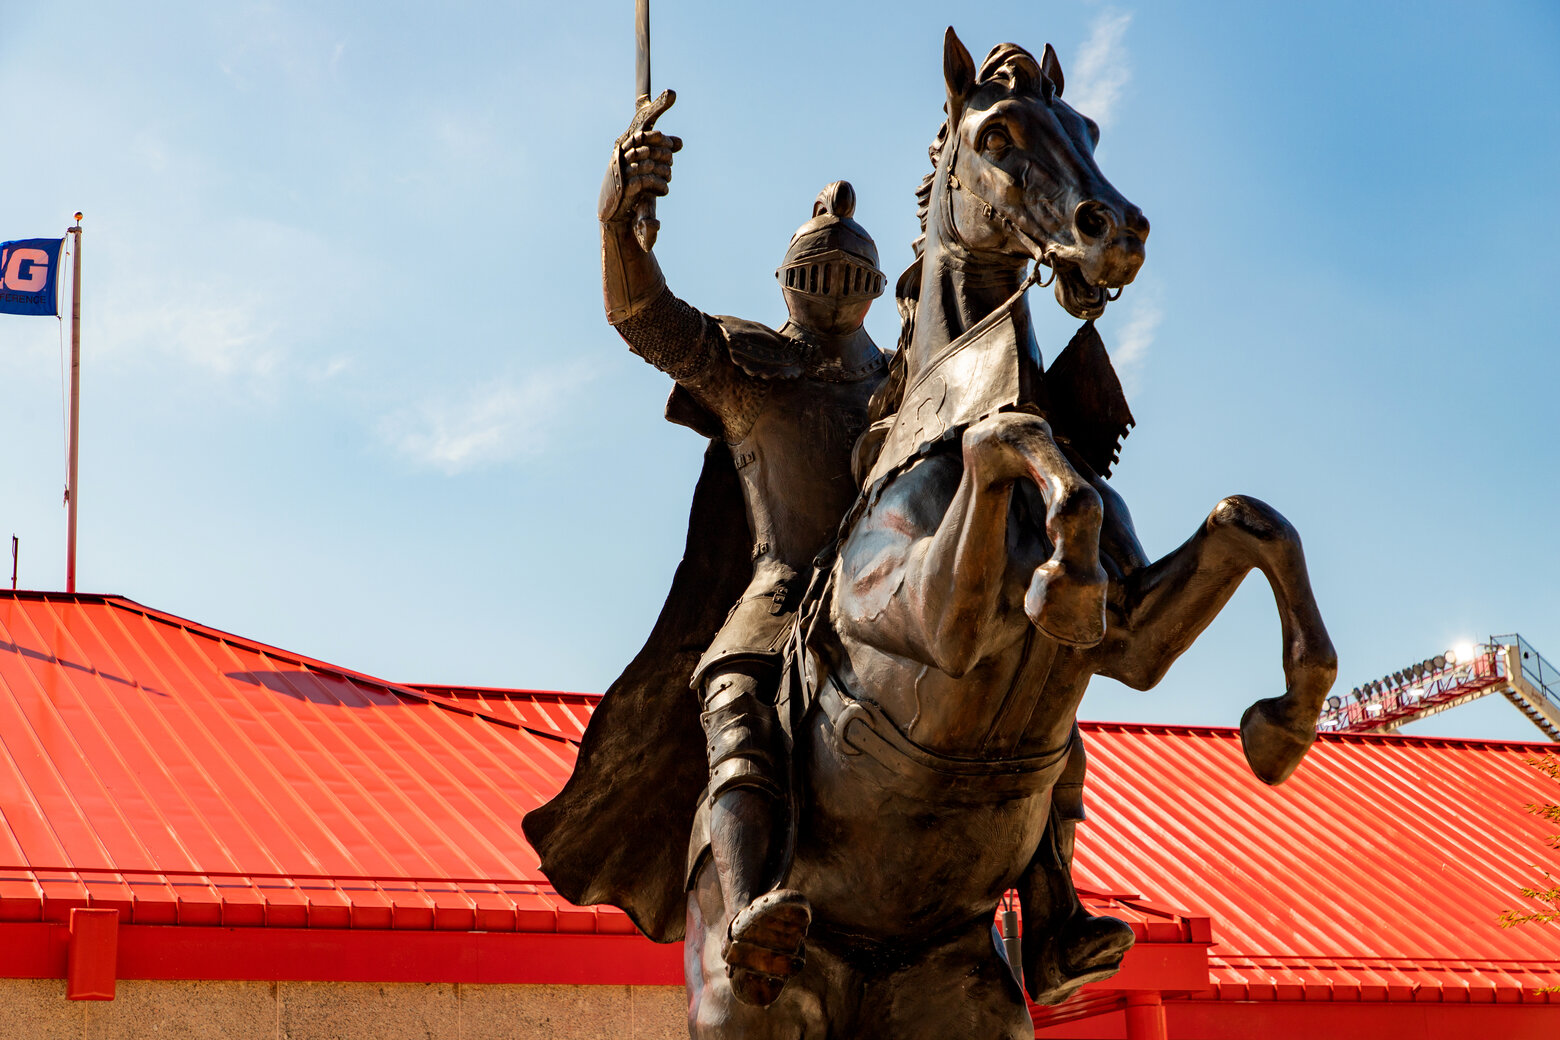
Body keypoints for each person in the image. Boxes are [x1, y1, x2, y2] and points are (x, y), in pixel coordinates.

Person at [600, 115, 888, 1007]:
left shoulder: (913, 379)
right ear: (790, 283)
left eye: (846, 273)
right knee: (734, 698)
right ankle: (750, 906)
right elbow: (643, 318)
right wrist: (619, 221)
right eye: (818, 271)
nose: (831, 283)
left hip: (895, 594)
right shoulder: (747, 364)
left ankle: (1052, 905)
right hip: (784, 590)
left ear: (876, 287)